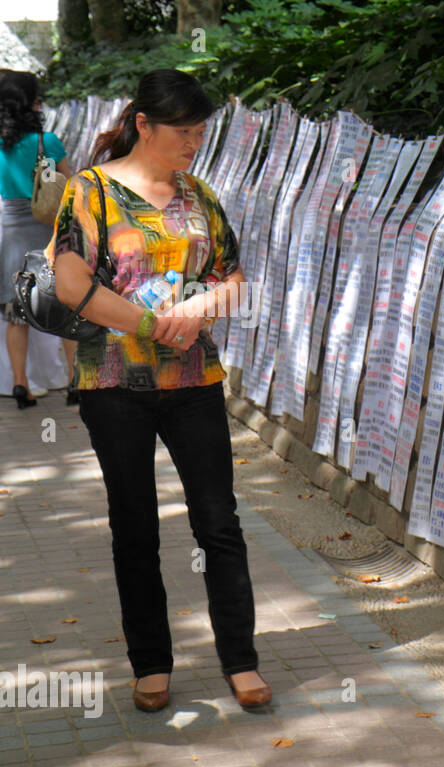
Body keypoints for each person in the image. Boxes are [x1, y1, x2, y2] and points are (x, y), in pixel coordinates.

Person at [50, 69, 272, 712]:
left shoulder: (198, 195)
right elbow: (70, 285)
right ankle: (151, 665)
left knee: (219, 523)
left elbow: (234, 278)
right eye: (184, 130)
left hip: (193, 379)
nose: (194, 142)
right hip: (113, 382)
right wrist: (152, 323)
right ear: (144, 124)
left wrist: (200, 309)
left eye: (201, 131)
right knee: (135, 525)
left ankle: (241, 659)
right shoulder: (89, 192)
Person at [0, 69, 76, 409]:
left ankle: (20, 385)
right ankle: (75, 381)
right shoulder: (47, 143)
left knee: (16, 314)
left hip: (8, 236)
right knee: (63, 310)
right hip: (46, 233)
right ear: (31, 103)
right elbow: (68, 187)